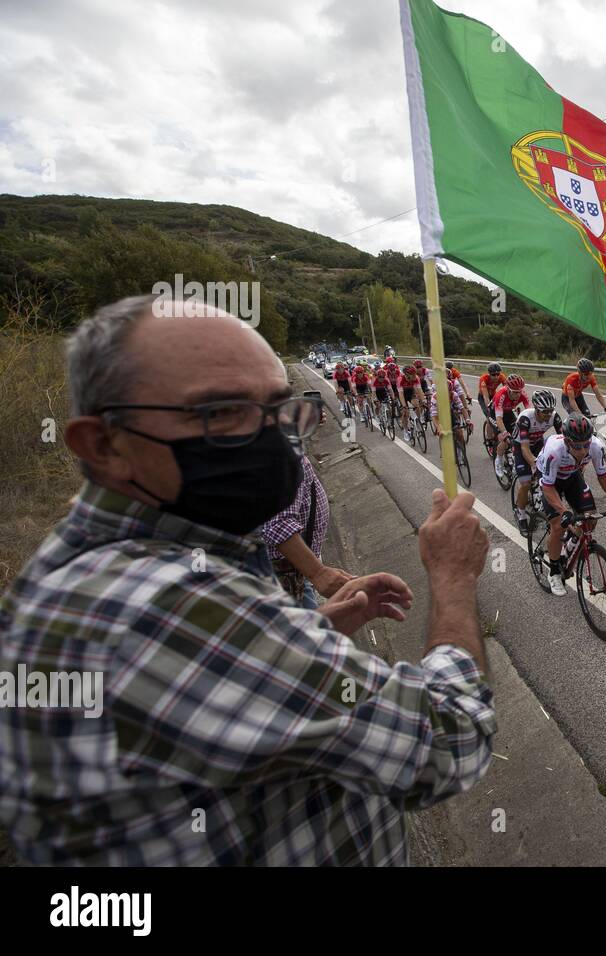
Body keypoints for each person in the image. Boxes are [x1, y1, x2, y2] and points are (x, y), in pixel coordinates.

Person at [0, 294, 495, 864]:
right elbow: (447, 740)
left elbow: (207, 697)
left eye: (278, 410)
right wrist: (454, 578)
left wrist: (310, 630)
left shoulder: (102, 565)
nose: (267, 440)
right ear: (105, 444)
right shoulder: (168, 607)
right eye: (221, 412)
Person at [534, 416, 606, 596]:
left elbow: (604, 477)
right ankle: (554, 570)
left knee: (590, 519)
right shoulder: (554, 450)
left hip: (571, 476)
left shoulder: (596, 446)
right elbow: (547, 486)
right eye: (577, 446)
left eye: (586, 444)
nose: (583, 450)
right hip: (550, 482)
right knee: (558, 525)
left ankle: (570, 545)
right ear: (567, 441)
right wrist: (563, 512)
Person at [262, 453, 349, 609]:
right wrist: (318, 573)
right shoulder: (283, 456)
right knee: (310, 630)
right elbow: (277, 525)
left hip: (295, 569)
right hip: (287, 572)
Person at [509, 389, 563, 533]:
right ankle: (520, 514)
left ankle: (543, 499)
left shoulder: (554, 417)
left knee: (552, 477)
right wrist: (535, 465)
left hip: (538, 442)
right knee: (526, 482)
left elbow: (565, 440)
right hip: (521, 446)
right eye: (545, 411)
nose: (548, 414)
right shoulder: (525, 418)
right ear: (536, 410)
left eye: (550, 410)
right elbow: (525, 448)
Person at [492, 373, 530, 479]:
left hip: (508, 413)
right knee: (506, 439)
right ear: (508, 389)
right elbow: (499, 419)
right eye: (515, 392)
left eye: (520, 391)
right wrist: (505, 433)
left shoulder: (522, 394)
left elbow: (529, 412)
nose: (518, 395)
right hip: (495, 414)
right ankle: (498, 460)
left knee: (518, 436)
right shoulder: (501, 394)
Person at [478, 362, 507, 443]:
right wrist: (489, 409)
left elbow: (507, 389)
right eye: (494, 375)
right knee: (489, 416)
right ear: (489, 374)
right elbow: (486, 397)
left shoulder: (502, 377)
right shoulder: (483, 379)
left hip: (494, 396)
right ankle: (489, 438)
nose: (496, 377)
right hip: (483, 397)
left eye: (498, 374)